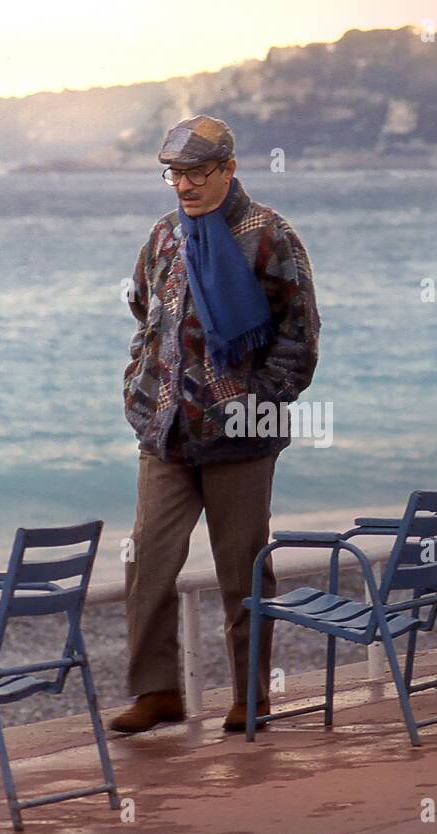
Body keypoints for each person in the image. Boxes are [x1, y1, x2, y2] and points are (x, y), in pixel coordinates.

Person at [112, 114, 320, 733]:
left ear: (229, 169)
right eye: (174, 173)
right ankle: (158, 694)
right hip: (167, 433)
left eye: (197, 172)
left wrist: (255, 402)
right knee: (146, 563)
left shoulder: (269, 236)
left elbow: (300, 335)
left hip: (242, 439)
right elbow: (144, 314)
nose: (184, 185)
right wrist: (138, 390)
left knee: (244, 570)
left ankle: (249, 695)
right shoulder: (163, 237)